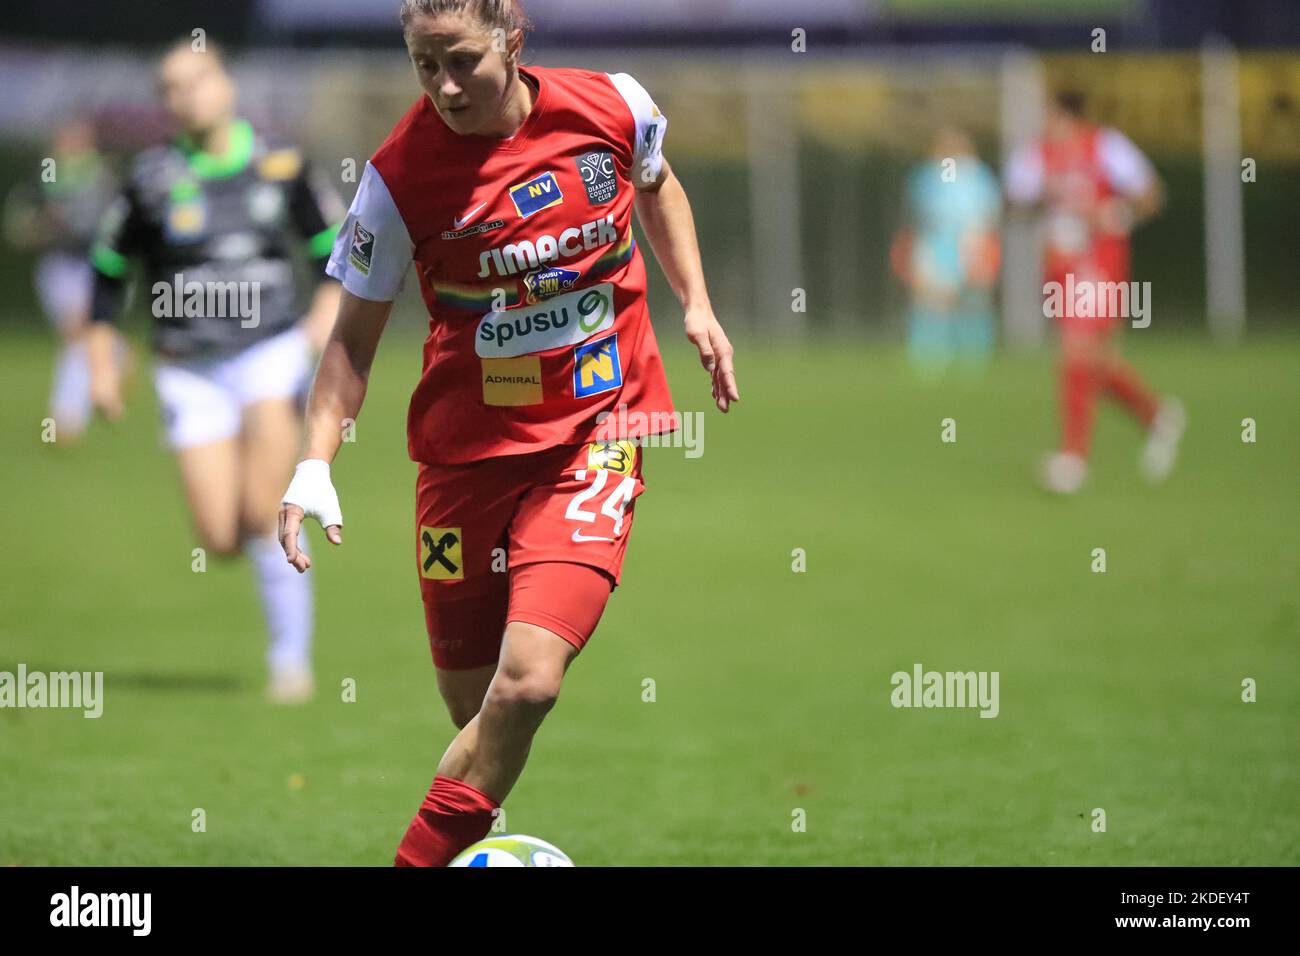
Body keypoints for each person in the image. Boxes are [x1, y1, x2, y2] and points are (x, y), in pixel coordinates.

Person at [278, 0, 739, 866]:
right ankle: (474, 835)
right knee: (472, 703)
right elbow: (349, 342)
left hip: (595, 437)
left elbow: (657, 181)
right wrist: (313, 463)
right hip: (465, 458)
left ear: (512, 39)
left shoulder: (613, 106)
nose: (444, 87)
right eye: (424, 65)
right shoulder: (398, 179)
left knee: (526, 683)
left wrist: (698, 303)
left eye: (460, 61)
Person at [86, 40, 345, 701]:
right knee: (220, 535)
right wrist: (101, 362)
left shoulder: (280, 164)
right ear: (164, 103)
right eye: (171, 86)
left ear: (226, 84)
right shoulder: (148, 179)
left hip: (269, 353)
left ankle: (292, 664)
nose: (187, 94)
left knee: (265, 513)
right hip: (187, 366)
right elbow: (107, 276)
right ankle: (269, 598)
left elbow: (337, 256)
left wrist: (320, 323)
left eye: (198, 80)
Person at [1006, 91, 1184, 494]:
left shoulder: (1105, 145)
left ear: (1065, 113)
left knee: (1075, 351)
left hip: (1099, 259)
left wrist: (1115, 213)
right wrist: (1041, 197)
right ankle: (1156, 414)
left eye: (1047, 112)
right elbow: (1014, 204)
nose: (1042, 120)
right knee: (1092, 361)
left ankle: (1072, 459)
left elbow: (1151, 194)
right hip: (1059, 264)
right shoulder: (1036, 154)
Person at [3, 119, 126, 441]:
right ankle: (117, 355)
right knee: (78, 334)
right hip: (59, 266)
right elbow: (19, 225)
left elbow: (120, 218)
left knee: (78, 333)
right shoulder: (47, 176)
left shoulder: (103, 175)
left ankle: (66, 417)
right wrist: (45, 224)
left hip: (93, 264)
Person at [890, 127, 1001, 377]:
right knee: (932, 300)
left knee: (972, 300)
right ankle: (930, 356)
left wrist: (980, 244)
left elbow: (988, 212)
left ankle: (973, 357)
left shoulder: (977, 175)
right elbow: (918, 212)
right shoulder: (927, 175)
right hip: (936, 239)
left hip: (970, 241)